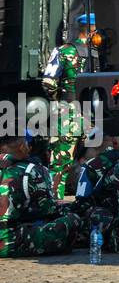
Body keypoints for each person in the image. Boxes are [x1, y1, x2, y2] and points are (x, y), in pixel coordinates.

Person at [0, 135, 81, 257]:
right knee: (72, 219)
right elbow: (48, 209)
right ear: (22, 147)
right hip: (8, 241)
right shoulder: (31, 169)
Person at [40, 43, 84, 199]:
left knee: (60, 161)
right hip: (96, 109)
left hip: (69, 109)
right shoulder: (104, 49)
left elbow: (48, 82)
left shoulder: (64, 50)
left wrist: (58, 100)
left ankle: (54, 202)